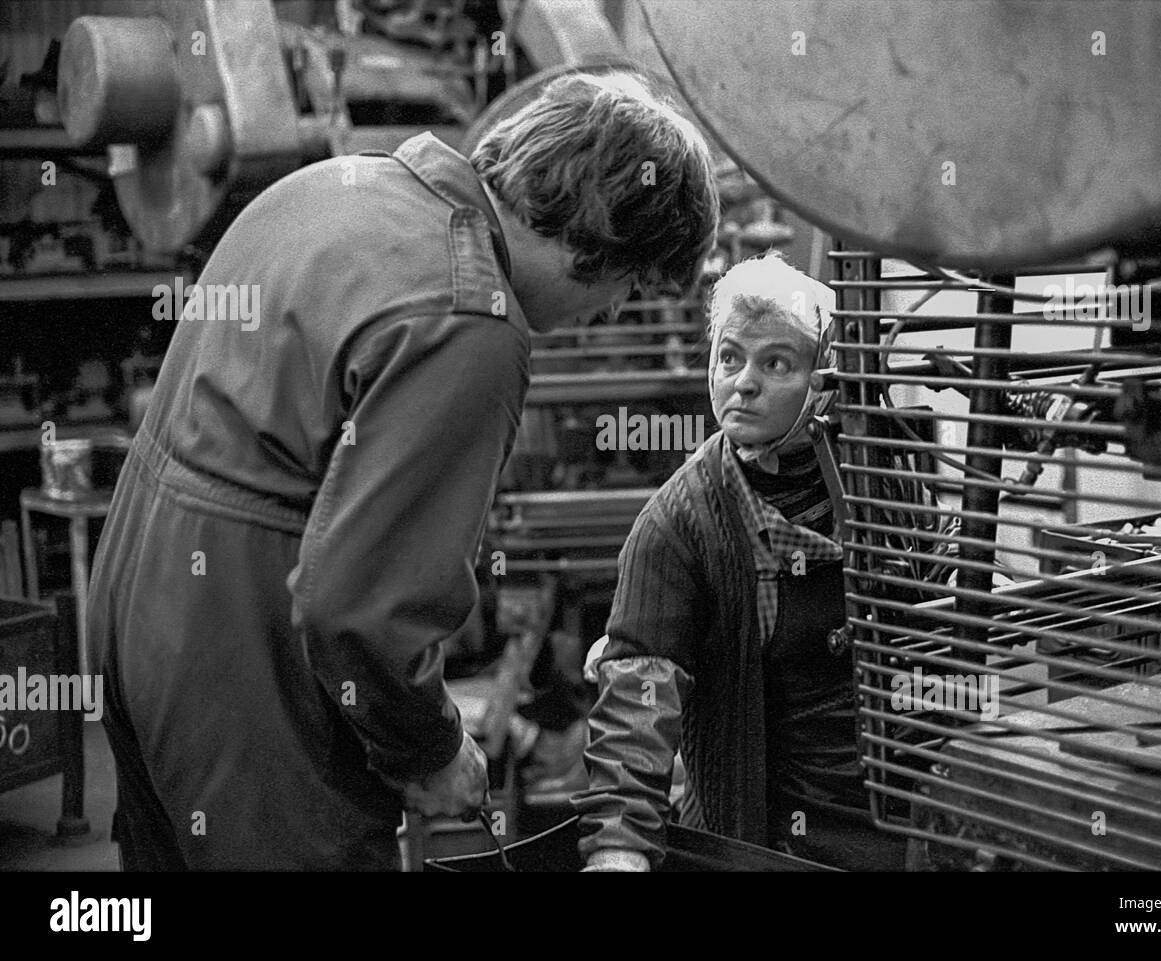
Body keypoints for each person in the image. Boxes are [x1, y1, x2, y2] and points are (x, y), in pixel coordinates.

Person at [87, 71, 718, 870]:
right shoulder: (471, 318)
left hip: (136, 585)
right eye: (631, 286)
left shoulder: (339, 185)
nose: (612, 313)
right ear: (601, 237)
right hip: (241, 642)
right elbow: (358, 604)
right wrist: (430, 748)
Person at [573, 253, 911, 871]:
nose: (743, 382)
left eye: (775, 363)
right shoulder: (679, 523)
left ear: (825, 379)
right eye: (729, 358)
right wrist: (619, 848)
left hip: (904, 829)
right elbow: (637, 702)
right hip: (767, 843)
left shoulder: (883, 481)